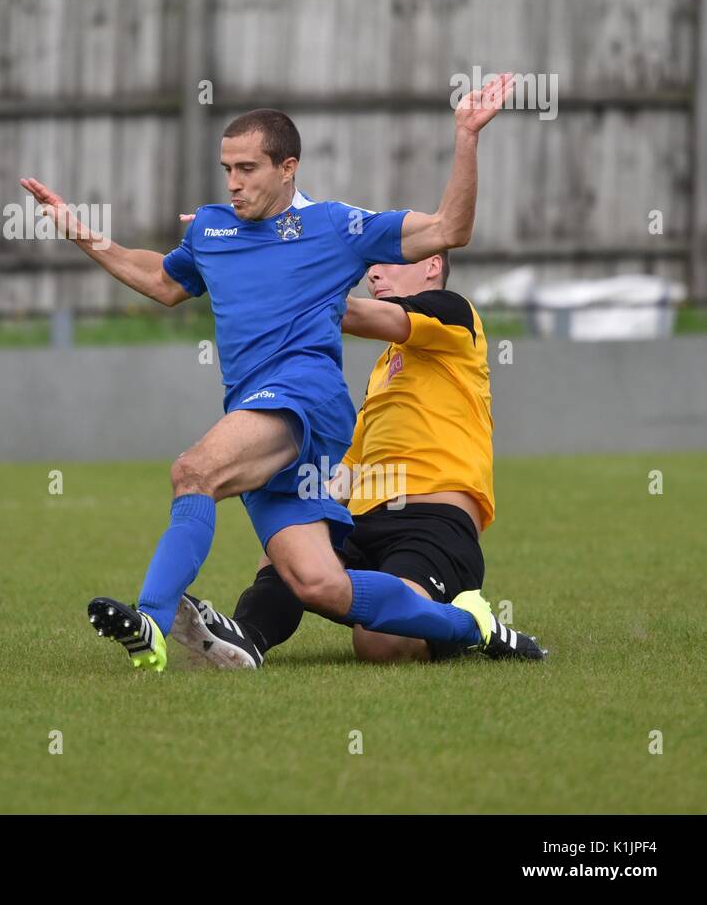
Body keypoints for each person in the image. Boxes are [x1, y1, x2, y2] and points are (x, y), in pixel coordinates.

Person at [22, 73, 539, 673]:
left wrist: (467, 137)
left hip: (300, 400)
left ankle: (152, 622)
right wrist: (86, 236)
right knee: (319, 583)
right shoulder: (214, 229)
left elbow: (450, 230)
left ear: (287, 168)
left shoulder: (338, 227)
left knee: (193, 472)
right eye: (227, 169)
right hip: (262, 414)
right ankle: (472, 628)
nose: (234, 182)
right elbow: (162, 281)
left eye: (248, 168)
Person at [172, 253, 546, 668]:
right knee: (294, 541)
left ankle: (472, 625)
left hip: (432, 521)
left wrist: (267, 277)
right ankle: (246, 638)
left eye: (389, 261)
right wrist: (302, 510)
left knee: (381, 644)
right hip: (364, 522)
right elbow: (352, 464)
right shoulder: (385, 367)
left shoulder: (454, 314)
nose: (373, 271)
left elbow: (354, 315)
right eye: (371, 264)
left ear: (433, 266)